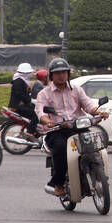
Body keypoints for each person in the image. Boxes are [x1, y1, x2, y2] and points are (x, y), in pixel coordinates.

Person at [35, 57, 107, 198]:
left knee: (94, 146)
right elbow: (40, 112)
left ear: (68, 74)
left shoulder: (77, 90)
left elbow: (88, 105)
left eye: (64, 72)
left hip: (77, 128)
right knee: (61, 149)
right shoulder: (44, 94)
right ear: (51, 75)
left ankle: (100, 175)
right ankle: (59, 183)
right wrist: (47, 121)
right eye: (57, 73)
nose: (61, 75)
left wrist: (98, 113)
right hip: (57, 131)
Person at [9, 62, 38, 134]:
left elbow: (26, 93)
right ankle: (30, 132)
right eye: (29, 73)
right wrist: (31, 100)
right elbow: (20, 94)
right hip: (18, 106)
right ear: (25, 73)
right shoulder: (18, 81)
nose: (30, 75)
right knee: (36, 115)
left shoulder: (22, 81)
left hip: (22, 105)